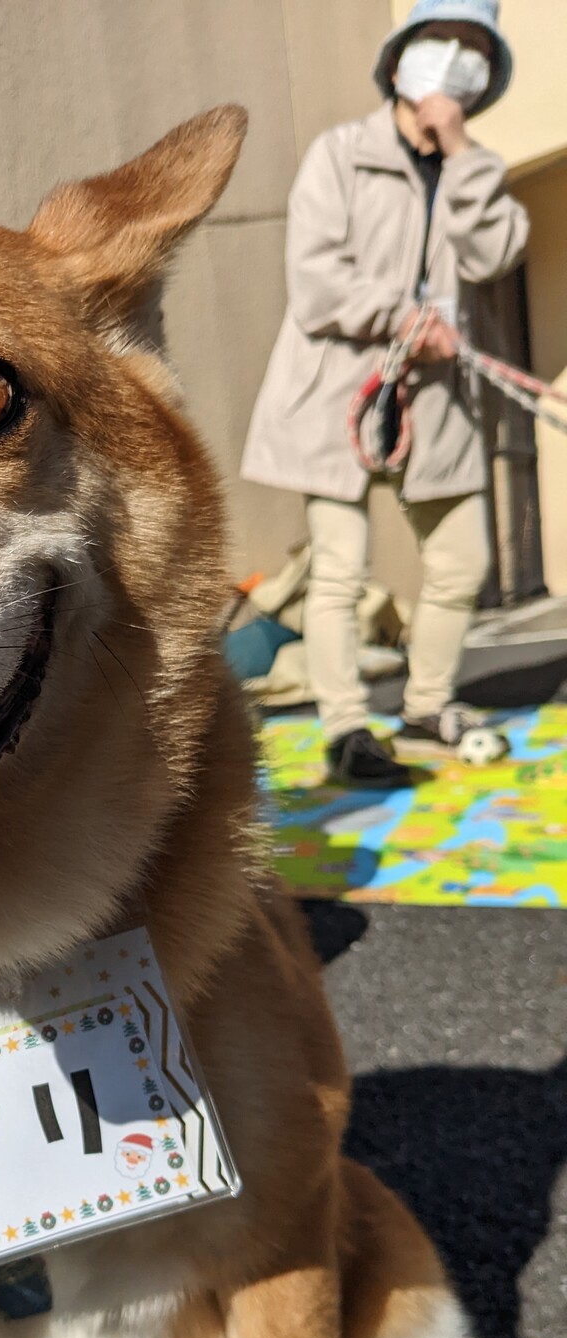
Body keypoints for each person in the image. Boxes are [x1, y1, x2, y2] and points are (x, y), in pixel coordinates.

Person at [241, 0, 528, 787]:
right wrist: (404, 315)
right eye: (447, 42)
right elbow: (315, 281)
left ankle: (429, 702)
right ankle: (344, 728)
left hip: (435, 404)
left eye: (477, 50)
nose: (459, 60)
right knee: (340, 566)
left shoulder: (475, 166)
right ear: (403, 58)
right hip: (341, 394)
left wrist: (462, 148)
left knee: (461, 559)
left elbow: (498, 249)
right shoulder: (340, 155)